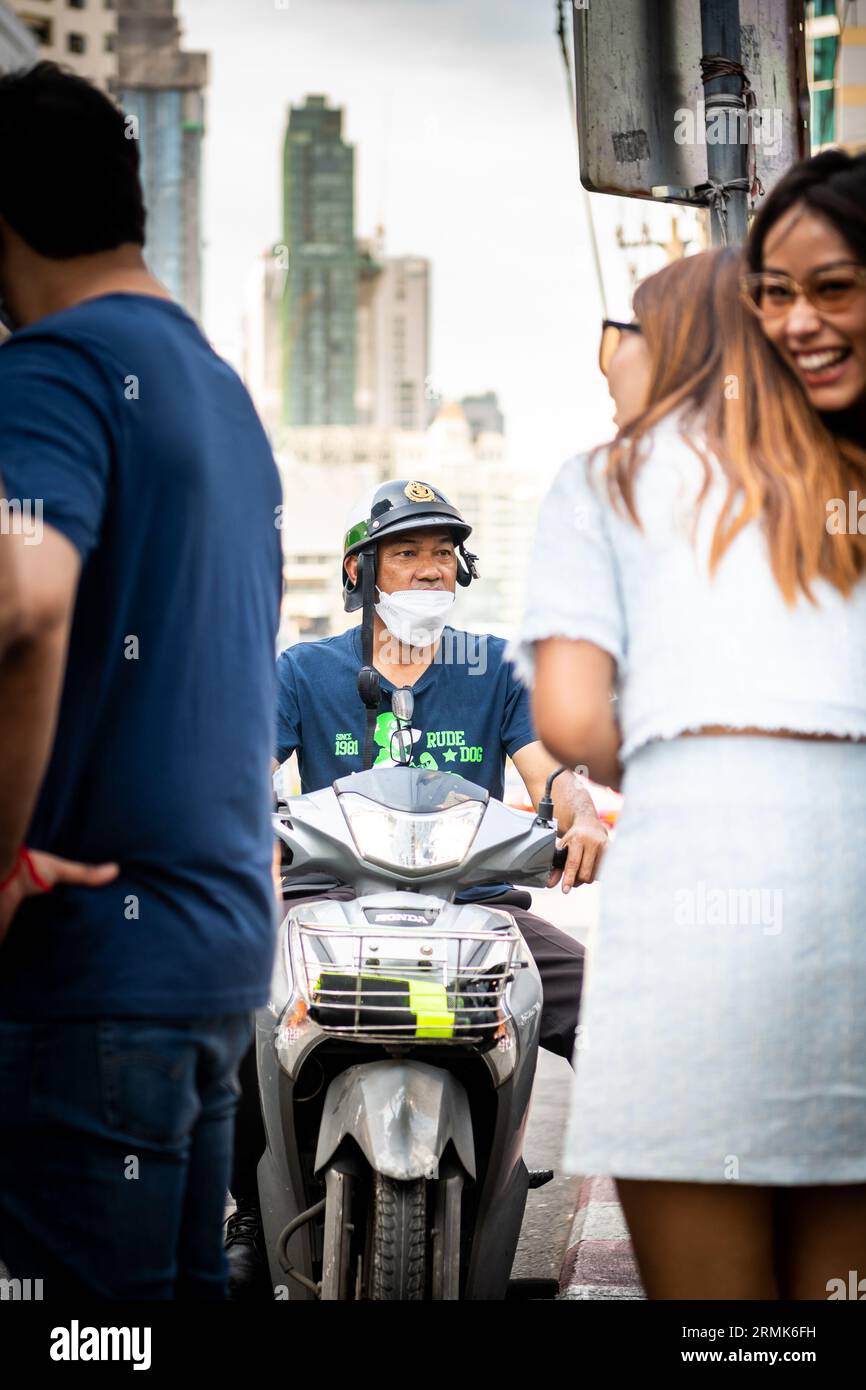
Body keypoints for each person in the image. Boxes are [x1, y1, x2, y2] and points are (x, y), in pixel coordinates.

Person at [513, 245, 866, 1300]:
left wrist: (687, 749)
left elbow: (569, 714)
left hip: (695, 938)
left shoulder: (605, 480)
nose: (607, 354)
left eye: (625, 329)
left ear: (674, 346)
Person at [0, 63, 282, 1298]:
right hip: (212, 966)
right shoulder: (223, 394)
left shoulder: (51, 372)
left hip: (89, 980)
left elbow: (23, 600)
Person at [224, 477, 608, 1295]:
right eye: (407, 553)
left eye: (443, 554)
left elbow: (553, 775)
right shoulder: (307, 669)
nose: (430, 570)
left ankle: (564, 1169)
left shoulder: (493, 665)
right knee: (233, 1010)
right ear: (362, 572)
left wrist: (579, 813)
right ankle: (252, 1212)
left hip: (474, 910)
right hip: (328, 907)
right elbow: (248, 777)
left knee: (616, 1014)